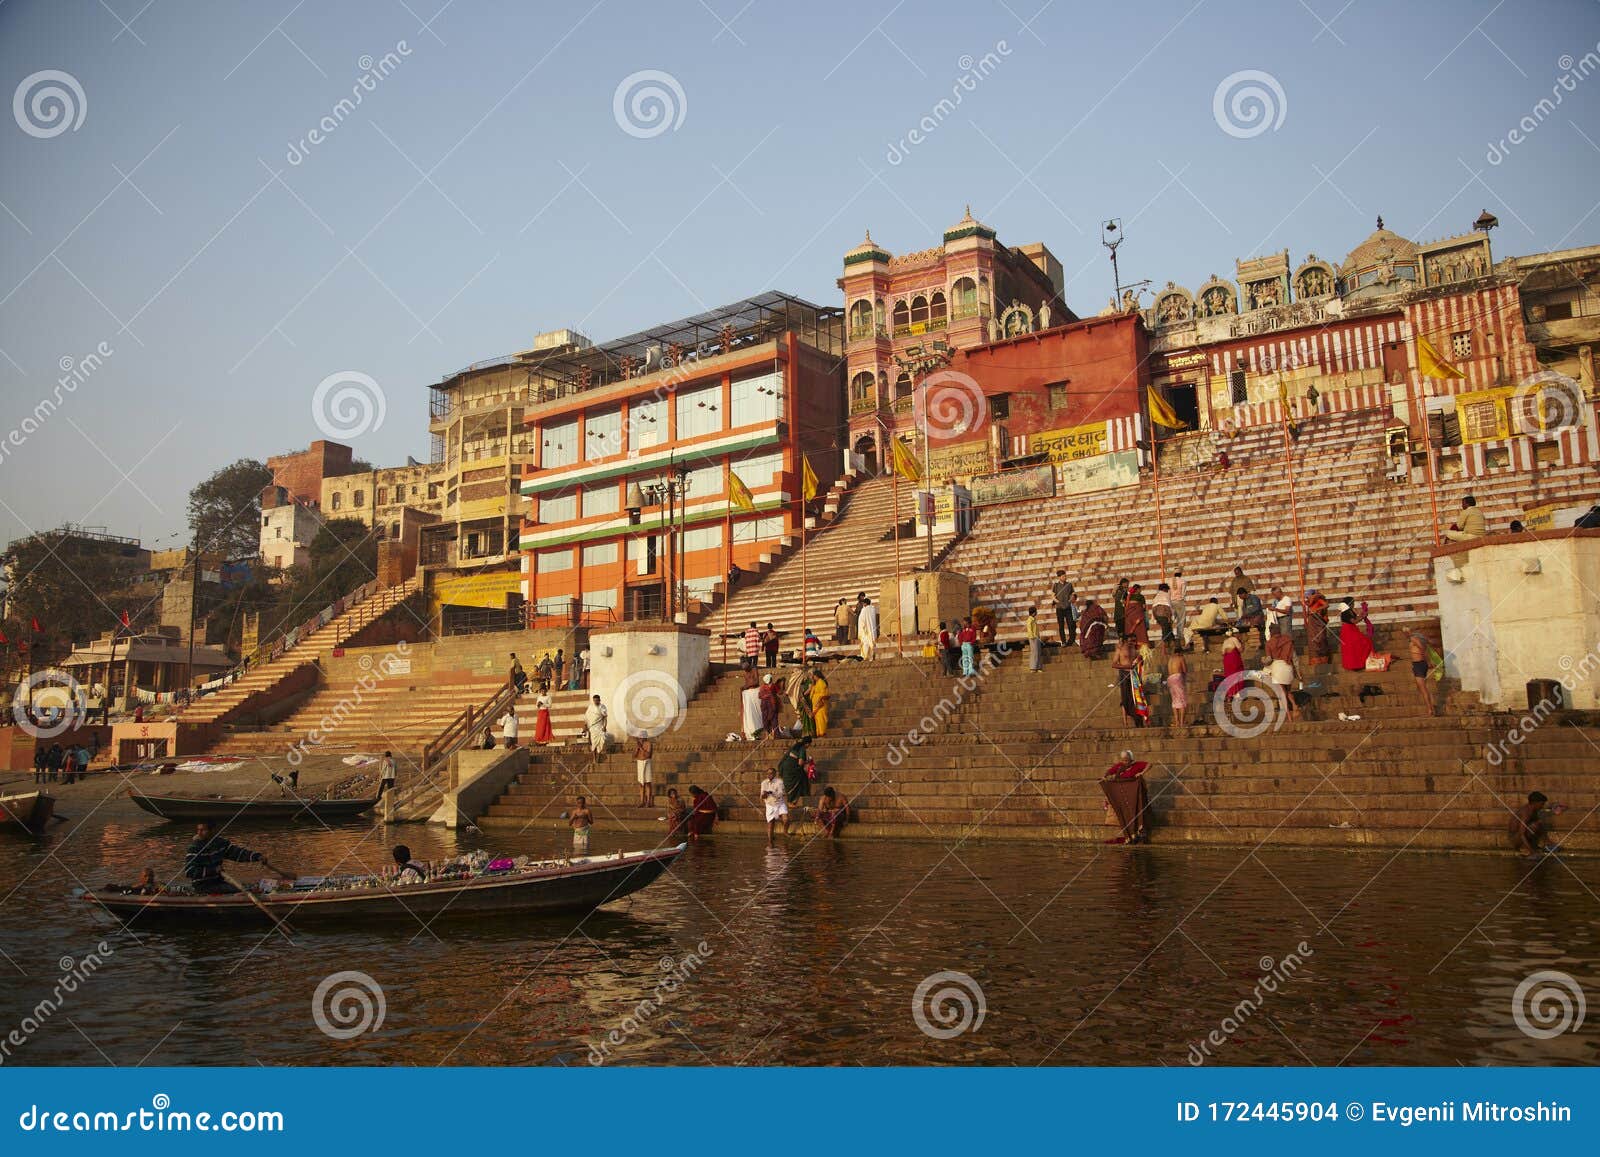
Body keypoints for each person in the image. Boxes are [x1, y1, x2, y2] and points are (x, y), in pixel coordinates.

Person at [183, 821, 288, 895]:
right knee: (243, 890)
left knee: (251, 886)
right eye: (198, 830)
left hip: (218, 882)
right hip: (203, 886)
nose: (199, 833)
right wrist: (213, 870)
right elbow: (189, 871)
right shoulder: (195, 848)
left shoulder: (219, 843)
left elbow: (237, 853)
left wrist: (257, 856)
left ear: (212, 831)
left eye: (203, 830)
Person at [1509, 791, 1562, 855]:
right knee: (1535, 825)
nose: (1542, 806)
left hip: (1522, 837)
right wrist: (1532, 851)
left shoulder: (1533, 809)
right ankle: (1524, 847)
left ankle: (1548, 844)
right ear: (1535, 803)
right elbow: (1521, 834)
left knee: (1538, 822)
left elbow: (1540, 827)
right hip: (1516, 840)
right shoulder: (1526, 812)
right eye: (1541, 804)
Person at [1265, 626, 1300, 721]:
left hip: (1277, 669)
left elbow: (1268, 660)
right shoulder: (1288, 640)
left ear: (1271, 632)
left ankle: (1289, 716)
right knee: (1288, 691)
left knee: (1282, 694)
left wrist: (1263, 662)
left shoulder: (1269, 643)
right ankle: (1294, 704)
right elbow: (1295, 658)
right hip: (1288, 667)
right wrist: (1298, 673)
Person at [1112, 637, 1145, 727]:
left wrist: (1140, 661)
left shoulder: (1135, 650)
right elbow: (1114, 664)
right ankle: (1126, 722)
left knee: (1137, 698)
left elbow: (1140, 662)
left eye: (1134, 641)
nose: (1132, 643)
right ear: (1126, 641)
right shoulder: (1119, 650)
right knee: (1126, 699)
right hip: (1124, 675)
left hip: (1134, 676)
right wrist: (1127, 666)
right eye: (1131, 641)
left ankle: (1139, 721)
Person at [777, 736, 812, 807]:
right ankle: (790, 802)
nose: (809, 746)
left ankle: (798, 799)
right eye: (810, 744)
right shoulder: (802, 749)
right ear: (807, 744)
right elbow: (800, 763)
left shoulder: (795, 746)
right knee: (796, 782)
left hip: (785, 767)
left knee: (803, 778)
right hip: (792, 769)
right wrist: (808, 761)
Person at [1409, 631, 1438, 716]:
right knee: (1422, 688)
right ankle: (1431, 706)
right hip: (1420, 664)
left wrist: (1429, 662)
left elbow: (1422, 650)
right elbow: (1428, 645)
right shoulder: (1422, 640)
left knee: (1423, 689)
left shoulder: (1413, 638)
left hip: (1419, 665)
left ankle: (1430, 709)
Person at [759, 767, 789, 843]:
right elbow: (762, 797)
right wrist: (764, 795)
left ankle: (785, 832)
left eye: (771, 773)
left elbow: (780, 794)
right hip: (770, 804)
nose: (769, 775)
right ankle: (770, 842)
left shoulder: (779, 782)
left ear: (775, 774)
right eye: (768, 773)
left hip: (780, 803)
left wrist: (771, 792)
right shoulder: (764, 783)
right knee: (771, 824)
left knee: (786, 819)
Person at [1304, 589, 1332, 664]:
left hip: (1318, 621)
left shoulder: (1318, 599)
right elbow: (1307, 612)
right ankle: (1315, 659)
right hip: (1311, 622)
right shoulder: (1308, 602)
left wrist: (1317, 609)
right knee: (1312, 640)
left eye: (1308, 596)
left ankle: (1323, 658)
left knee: (1321, 639)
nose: (1307, 598)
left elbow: (1326, 605)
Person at [1051, 571, 1076, 645]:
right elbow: (1052, 595)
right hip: (1059, 608)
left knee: (1071, 624)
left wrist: (1071, 599)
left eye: (1065, 576)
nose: (1065, 577)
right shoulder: (1055, 585)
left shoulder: (1069, 584)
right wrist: (1057, 601)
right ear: (1059, 577)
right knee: (1061, 625)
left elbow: (1073, 593)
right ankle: (1063, 641)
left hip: (1068, 607)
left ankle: (1071, 640)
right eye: (1063, 576)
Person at [1167, 647, 1189, 728]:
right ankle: (1182, 723)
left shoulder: (1170, 659)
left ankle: (1176, 722)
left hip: (1170, 679)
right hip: (1177, 678)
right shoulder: (1180, 658)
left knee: (1175, 701)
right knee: (1182, 700)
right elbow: (1184, 670)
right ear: (1180, 653)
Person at [1220, 632, 1246, 699]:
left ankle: (1230, 694)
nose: (1238, 635)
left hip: (1227, 660)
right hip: (1234, 659)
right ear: (1234, 634)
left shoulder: (1225, 641)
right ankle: (1237, 694)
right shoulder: (1234, 639)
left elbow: (1222, 653)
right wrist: (1243, 643)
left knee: (1229, 675)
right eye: (1238, 634)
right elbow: (1241, 650)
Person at [585, 695, 608, 760]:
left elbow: (605, 717)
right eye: (594, 700)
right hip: (592, 727)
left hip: (600, 727)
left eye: (597, 700)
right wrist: (585, 726)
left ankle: (599, 756)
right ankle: (594, 758)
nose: (595, 702)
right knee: (594, 743)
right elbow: (586, 717)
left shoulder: (602, 707)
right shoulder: (590, 707)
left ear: (599, 700)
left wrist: (605, 726)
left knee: (601, 742)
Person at [1170, 569, 1189, 650]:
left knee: (1171, 620)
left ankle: (1170, 635)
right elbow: (1184, 593)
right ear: (1180, 574)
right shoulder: (1183, 581)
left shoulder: (1169, 581)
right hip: (1180, 602)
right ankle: (1180, 636)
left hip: (1171, 602)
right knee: (1181, 620)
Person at [808, 668, 831, 737]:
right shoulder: (816, 683)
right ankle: (819, 734)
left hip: (821, 704)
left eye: (814, 676)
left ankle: (822, 733)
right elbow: (811, 694)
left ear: (817, 675)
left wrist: (820, 699)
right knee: (817, 719)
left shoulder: (821, 682)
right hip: (815, 705)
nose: (813, 677)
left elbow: (824, 693)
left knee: (821, 719)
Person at [633, 733, 654, 806]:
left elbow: (648, 755)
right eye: (639, 737)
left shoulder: (649, 744)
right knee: (641, 783)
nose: (640, 738)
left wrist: (641, 748)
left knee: (648, 782)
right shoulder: (638, 745)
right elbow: (634, 756)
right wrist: (637, 748)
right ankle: (642, 801)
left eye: (642, 736)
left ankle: (648, 801)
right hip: (639, 763)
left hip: (647, 762)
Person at [1026, 606, 1043, 672]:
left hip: (1037, 638)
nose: (1036, 612)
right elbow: (1029, 629)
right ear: (1033, 612)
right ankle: (1033, 668)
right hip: (1033, 638)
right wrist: (1032, 636)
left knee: (1038, 652)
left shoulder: (1033, 619)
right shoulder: (1029, 620)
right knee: (1034, 652)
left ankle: (1038, 667)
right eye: (1036, 611)